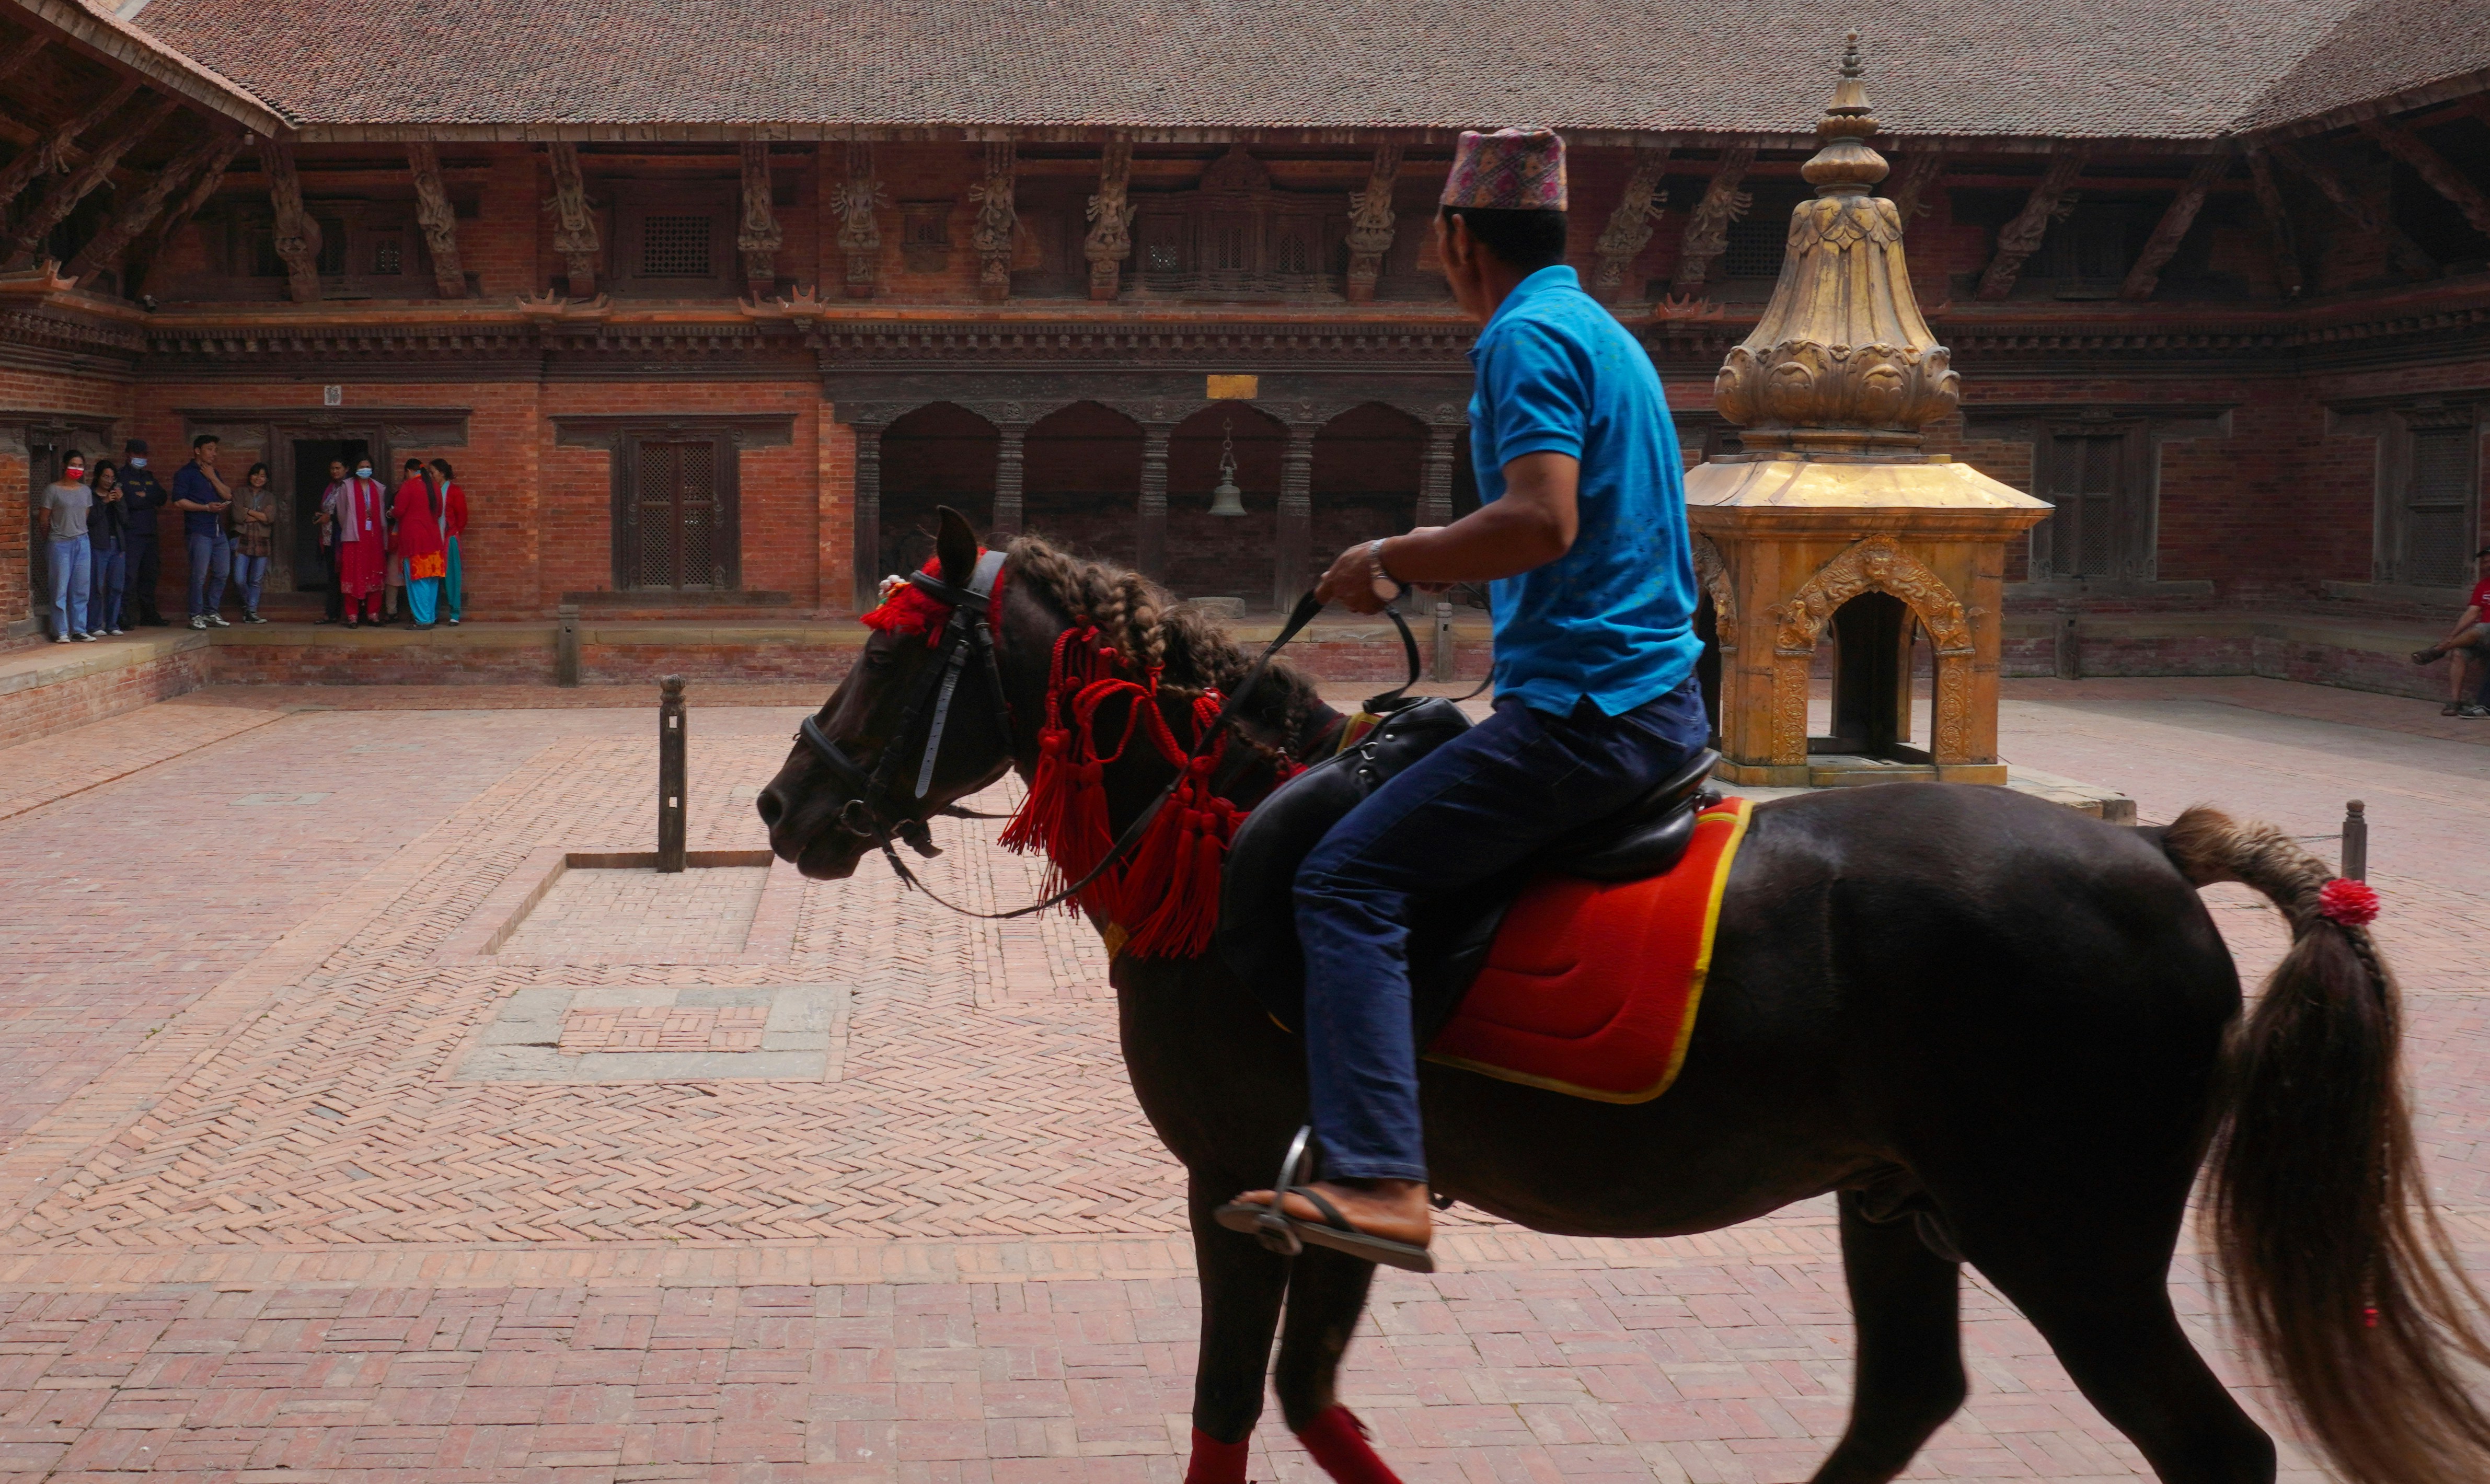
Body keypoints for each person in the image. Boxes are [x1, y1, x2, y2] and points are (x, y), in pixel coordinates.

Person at [1227, 130, 1710, 1267]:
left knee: (1346, 876)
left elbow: (1544, 519)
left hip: (1591, 713)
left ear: (1456, 238)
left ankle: (1385, 1175)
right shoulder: (1601, 330)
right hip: (1651, 693)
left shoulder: (1525, 335)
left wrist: (1397, 554)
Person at [2410, 546, 2490, 719]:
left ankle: (2439, 650)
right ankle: (2455, 702)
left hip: (2485, 631)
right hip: (2483, 636)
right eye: (2484, 562)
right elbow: (2472, 613)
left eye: (2489, 561)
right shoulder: (2483, 585)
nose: (2486, 565)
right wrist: (2452, 635)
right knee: (2459, 653)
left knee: (2482, 628)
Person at [171, 432, 233, 629]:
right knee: (199, 575)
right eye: (210, 449)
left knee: (222, 572)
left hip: (217, 531)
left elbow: (228, 495)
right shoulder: (185, 473)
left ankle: (211, 612)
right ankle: (195, 615)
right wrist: (206, 507)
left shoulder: (213, 472)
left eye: (216, 449)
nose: (214, 453)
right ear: (197, 451)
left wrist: (212, 477)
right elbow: (179, 501)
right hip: (199, 530)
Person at [36, 451, 96, 643]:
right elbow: (44, 518)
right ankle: (61, 630)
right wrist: (50, 537)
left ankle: (79, 629)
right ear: (64, 465)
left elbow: (84, 515)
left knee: (81, 587)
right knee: (59, 587)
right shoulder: (52, 490)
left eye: (80, 465)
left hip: (82, 542)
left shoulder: (85, 491)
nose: (76, 469)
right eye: (73, 464)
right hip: (59, 543)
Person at [326, 456, 389, 628]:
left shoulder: (378, 488)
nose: (365, 469)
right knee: (352, 575)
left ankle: (373, 614)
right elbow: (341, 514)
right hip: (354, 538)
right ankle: (352, 615)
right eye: (362, 466)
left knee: (375, 574)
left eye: (368, 466)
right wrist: (352, 528)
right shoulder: (346, 487)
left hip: (374, 538)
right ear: (355, 468)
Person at [390, 457, 447, 630]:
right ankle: (429, 617)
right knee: (431, 582)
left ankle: (423, 620)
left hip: (415, 542)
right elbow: (438, 513)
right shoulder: (434, 487)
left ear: (409, 472)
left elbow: (399, 511)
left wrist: (391, 513)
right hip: (434, 541)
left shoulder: (408, 487)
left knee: (418, 582)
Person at [118, 438, 170, 625]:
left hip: (150, 532)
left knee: (150, 574)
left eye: (144, 454)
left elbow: (162, 497)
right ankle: (123, 614)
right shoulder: (121, 476)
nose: (140, 458)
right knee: (129, 575)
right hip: (132, 533)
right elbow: (130, 502)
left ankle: (149, 614)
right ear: (128, 455)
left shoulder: (148, 477)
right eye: (137, 454)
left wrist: (145, 497)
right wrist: (147, 499)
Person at [229, 461, 278, 623]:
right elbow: (237, 517)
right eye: (256, 474)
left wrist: (248, 511)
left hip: (262, 540)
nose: (259, 478)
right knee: (239, 579)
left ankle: (251, 612)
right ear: (250, 476)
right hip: (242, 540)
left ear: (267, 479)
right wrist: (260, 515)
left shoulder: (270, 497)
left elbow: (269, 519)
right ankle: (250, 605)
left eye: (263, 476)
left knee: (256, 580)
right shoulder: (240, 493)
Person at [88, 458, 128, 635]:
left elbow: (126, 521)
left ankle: (113, 624)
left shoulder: (117, 496)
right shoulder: (90, 495)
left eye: (112, 478)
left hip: (117, 544)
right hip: (99, 544)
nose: (108, 481)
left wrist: (119, 502)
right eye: (105, 476)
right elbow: (90, 520)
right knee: (97, 586)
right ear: (98, 476)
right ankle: (95, 625)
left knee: (116, 586)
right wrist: (103, 503)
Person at [431, 458, 468, 624]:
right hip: (431, 541)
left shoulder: (454, 492)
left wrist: (452, 532)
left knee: (452, 577)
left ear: (442, 473)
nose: (431, 476)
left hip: (449, 539)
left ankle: (455, 613)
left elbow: (463, 518)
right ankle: (433, 612)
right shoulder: (429, 491)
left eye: (433, 472)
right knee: (432, 578)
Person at [313, 457, 348, 624]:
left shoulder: (349, 487)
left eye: (338, 468)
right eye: (332, 468)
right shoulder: (331, 488)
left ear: (346, 469)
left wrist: (331, 518)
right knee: (333, 577)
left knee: (344, 576)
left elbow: (350, 513)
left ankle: (347, 613)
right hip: (328, 538)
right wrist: (323, 516)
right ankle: (332, 612)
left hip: (343, 539)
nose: (335, 471)